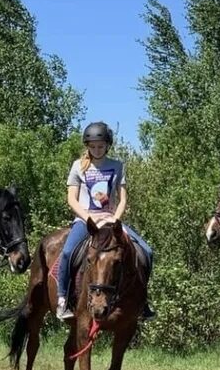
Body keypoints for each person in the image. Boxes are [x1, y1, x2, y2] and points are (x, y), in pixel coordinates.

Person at [55, 121, 155, 321]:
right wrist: (89, 218)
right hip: (86, 220)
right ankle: (63, 300)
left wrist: (115, 220)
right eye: (92, 146)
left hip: (111, 220)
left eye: (100, 146)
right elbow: (71, 199)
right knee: (67, 253)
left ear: (108, 145)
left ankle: (143, 302)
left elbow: (123, 199)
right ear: (87, 146)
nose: (96, 150)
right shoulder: (77, 166)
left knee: (147, 251)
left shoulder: (117, 166)